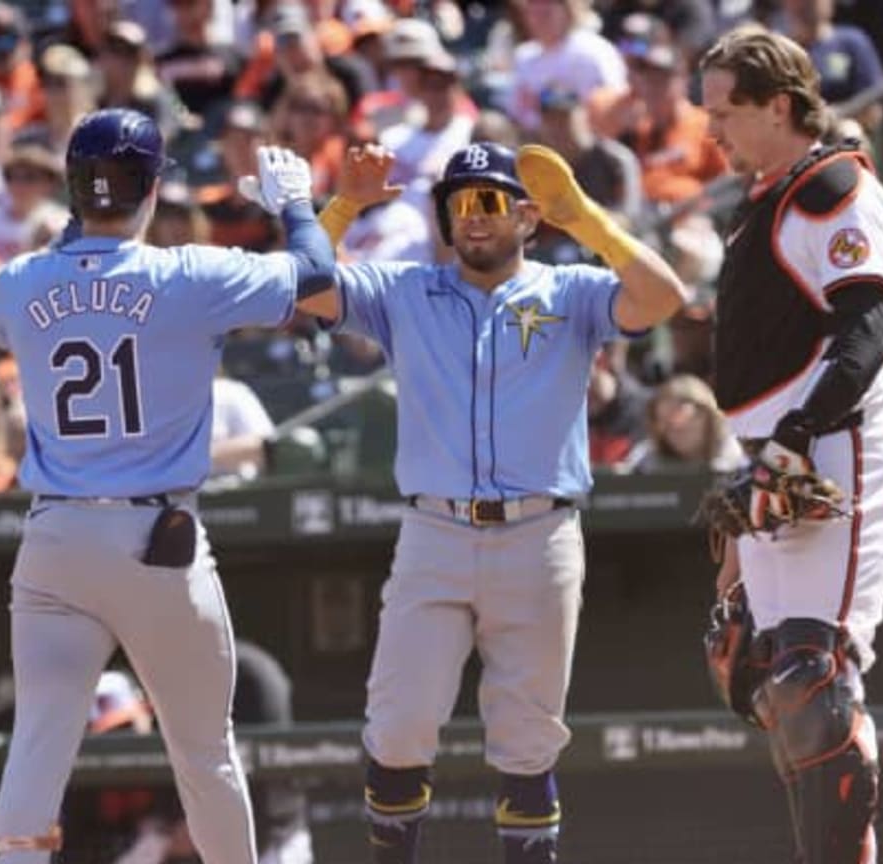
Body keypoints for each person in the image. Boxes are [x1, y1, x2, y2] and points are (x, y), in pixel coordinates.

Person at [283, 139, 687, 863]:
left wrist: (585, 218)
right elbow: (306, 288)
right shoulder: (408, 289)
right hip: (435, 531)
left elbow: (664, 297)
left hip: (540, 533)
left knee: (528, 740)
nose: (473, 217)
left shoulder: (570, 291)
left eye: (492, 201)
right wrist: (342, 204)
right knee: (400, 726)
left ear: (528, 217)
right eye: (460, 203)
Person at [0, 108, 335, 864]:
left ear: (75, 191)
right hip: (154, 539)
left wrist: (76, 235)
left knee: (39, 741)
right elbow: (316, 273)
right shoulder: (187, 274)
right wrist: (296, 203)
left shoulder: (17, 282)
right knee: (204, 750)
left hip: (54, 539)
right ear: (153, 187)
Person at [698, 26, 883, 864]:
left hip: (839, 450)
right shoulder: (764, 198)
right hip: (781, 457)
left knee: (813, 676)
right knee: (759, 671)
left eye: (727, 111)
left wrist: (791, 443)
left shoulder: (833, 185)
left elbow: (865, 336)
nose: (711, 129)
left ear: (782, 106)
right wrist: (766, 459)